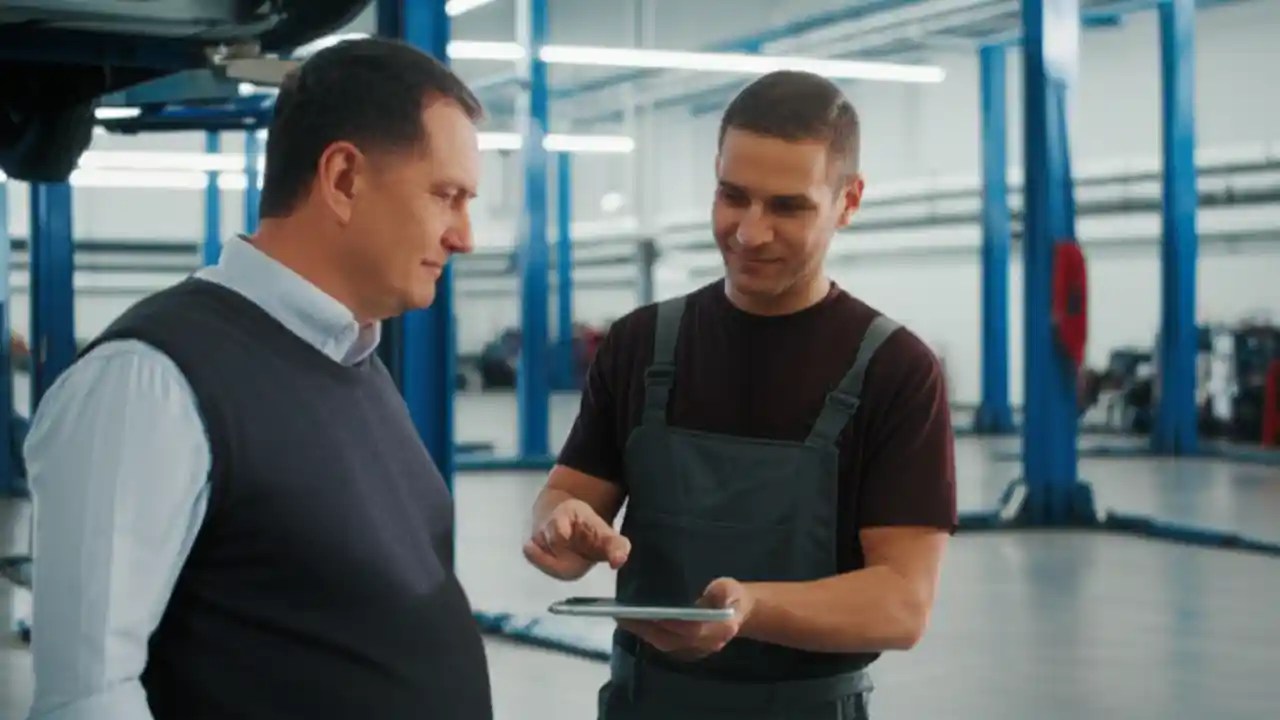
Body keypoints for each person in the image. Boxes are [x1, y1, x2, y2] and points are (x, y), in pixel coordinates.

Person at [23, 38, 492, 720]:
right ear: (342, 179)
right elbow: (88, 699)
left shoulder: (353, 363)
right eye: (446, 196)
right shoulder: (149, 381)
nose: (465, 236)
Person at [524, 70, 957, 719]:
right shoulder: (641, 344)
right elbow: (566, 502)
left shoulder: (895, 371)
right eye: (733, 196)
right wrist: (560, 529)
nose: (750, 233)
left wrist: (751, 609)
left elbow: (902, 603)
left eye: (788, 206)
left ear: (849, 200)